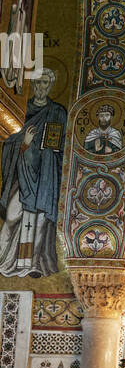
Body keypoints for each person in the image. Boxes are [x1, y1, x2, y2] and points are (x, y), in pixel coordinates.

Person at [0, 69, 66, 277]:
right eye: (36, 83)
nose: (40, 87)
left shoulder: (56, 111)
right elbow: (8, 141)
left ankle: (32, 263)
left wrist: (50, 149)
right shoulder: (20, 110)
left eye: (45, 83)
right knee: (12, 216)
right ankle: (4, 258)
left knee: (39, 220)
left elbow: (62, 144)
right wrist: (24, 144)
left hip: (45, 177)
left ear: (50, 85)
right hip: (21, 175)